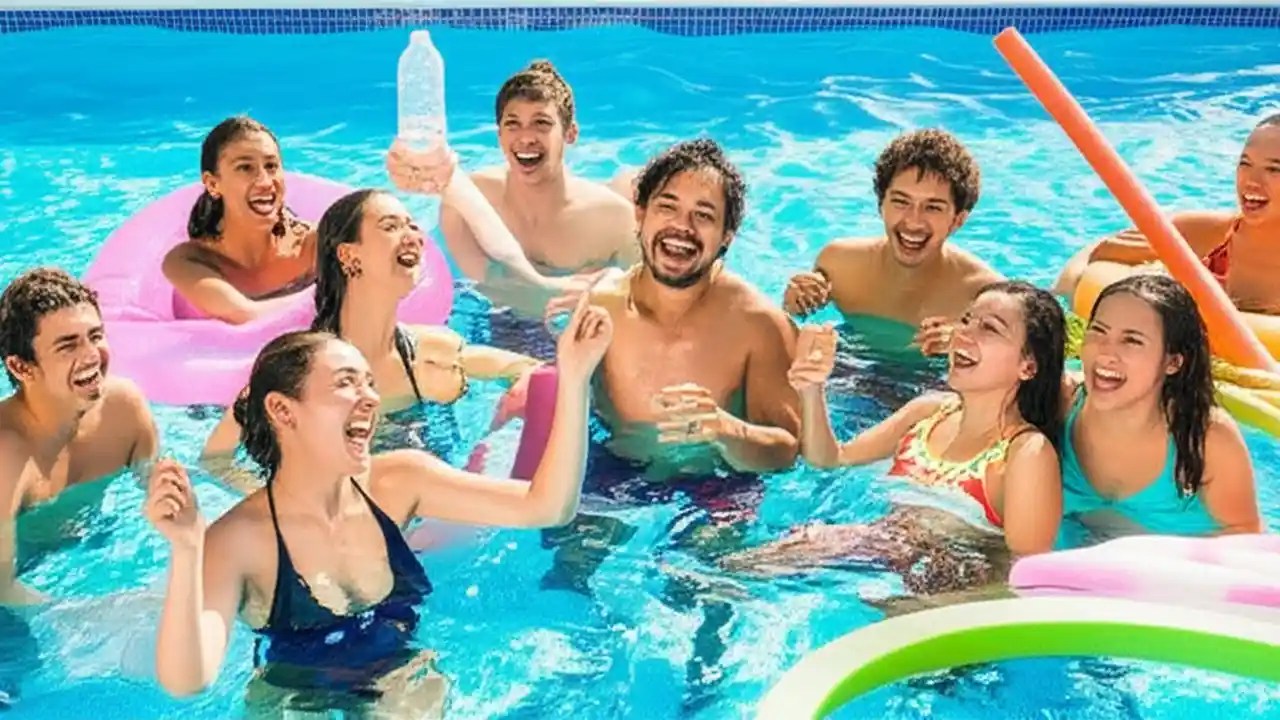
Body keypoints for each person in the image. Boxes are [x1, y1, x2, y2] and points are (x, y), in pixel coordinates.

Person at [145, 289, 611, 713]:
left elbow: (546, 506)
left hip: (400, 674)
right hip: (292, 693)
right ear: (283, 410)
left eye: (370, 383)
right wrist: (187, 549)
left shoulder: (400, 481)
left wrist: (574, 378)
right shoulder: (239, 540)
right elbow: (189, 681)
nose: (370, 397)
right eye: (347, 383)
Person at [722, 281, 1065, 595]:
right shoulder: (928, 414)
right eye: (966, 320)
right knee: (729, 568)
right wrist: (812, 389)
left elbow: (1024, 578)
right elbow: (829, 460)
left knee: (731, 577)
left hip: (938, 595)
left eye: (989, 328)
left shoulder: (1026, 453)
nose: (963, 335)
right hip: (875, 562)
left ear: (1028, 366)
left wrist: (911, 609)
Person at [200, 188, 545, 472]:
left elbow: (530, 371)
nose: (413, 236)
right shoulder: (298, 367)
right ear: (350, 255)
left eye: (413, 226)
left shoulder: (428, 354)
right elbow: (216, 461)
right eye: (391, 226)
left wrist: (511, 409)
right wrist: (290, 511)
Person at [436, 60, 638, 330]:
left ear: (570, 133)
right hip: (497, 326)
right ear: (499, 136)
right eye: (513, 124)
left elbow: (641, 305)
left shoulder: (612, 220)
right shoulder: (470, 200)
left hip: (576, 332)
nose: (526, 137)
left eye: (541, 123)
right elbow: (479, 288)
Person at [1060, 273, 1262, 540]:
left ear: (1173, 362)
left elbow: (1244, 541)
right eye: (1098, 331)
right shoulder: (1060, 405)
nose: (1106, 353)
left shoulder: (1207, 440)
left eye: (1131, 340)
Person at [0, 268, 158, 605]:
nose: (91, 356)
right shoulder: (6, 457)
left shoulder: (124, 410)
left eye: (95, 336)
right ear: (21, 368)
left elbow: (165, 496)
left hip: (90, 548)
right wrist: (106, 616)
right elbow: (2, 589)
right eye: (68, 345)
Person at [1055, 114, 1280, 343]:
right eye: (1245, 163)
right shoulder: (1204, 235)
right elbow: (1088, 262)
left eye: (1274, 170)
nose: (1251, 181)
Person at [782, 129, 1003, 355]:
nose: (913, 222)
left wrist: (966, 343)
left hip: (933, 382)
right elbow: (793, 324)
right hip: (850, 365)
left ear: (957, 220)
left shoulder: (982, 296)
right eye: (900, 201)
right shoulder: (839, 265)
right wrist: (794, 302)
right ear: (881, 205)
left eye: (933, 207)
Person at [162, 116, 318, 324]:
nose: (265, 182)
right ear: (212, 184)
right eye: (245, 167)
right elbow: (246, 315)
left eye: (271, 166)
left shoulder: (314, 245)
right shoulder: (188, 262)